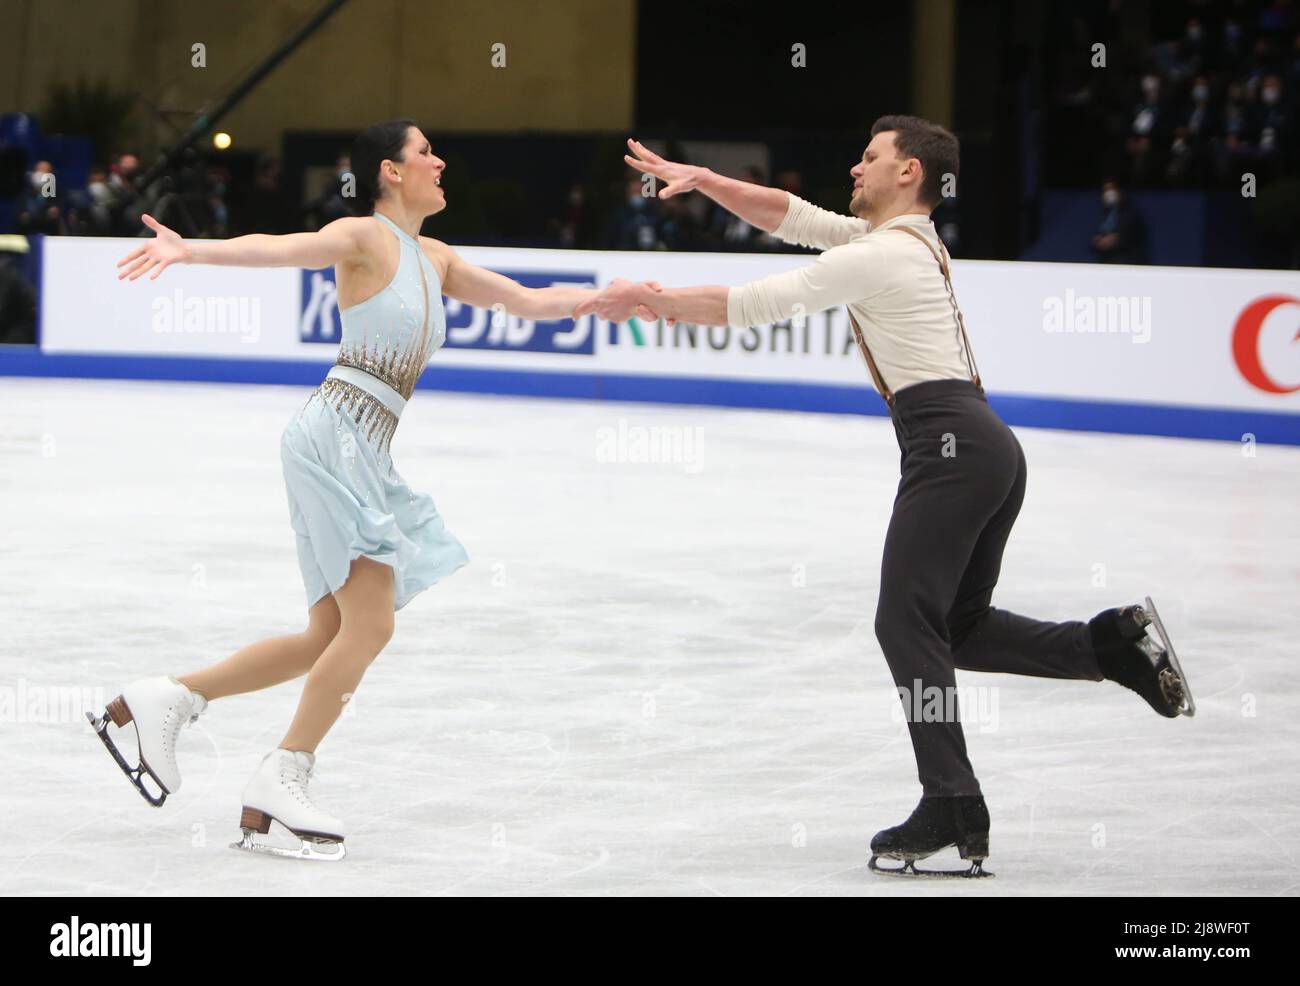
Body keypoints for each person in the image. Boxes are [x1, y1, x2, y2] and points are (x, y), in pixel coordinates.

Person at [582, 118, 1195, 877]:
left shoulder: (880, 255)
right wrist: (705, 181)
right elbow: (790, 216)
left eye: (870, 157)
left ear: (908, 172)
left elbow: (752, 303)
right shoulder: (907, 242)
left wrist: (650, 297)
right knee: (956, 628)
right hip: (984, 446)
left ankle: (952, 799)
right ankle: (1107, 647)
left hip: (951, 445)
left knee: (902, 620)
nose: (854, 165)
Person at [89, 120, 618, 861]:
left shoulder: (436, 258)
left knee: (326, 638)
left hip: (363, 447)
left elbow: (524, 301)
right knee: (370, 626)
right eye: (424, 152)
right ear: (391, 172)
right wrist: (188, 248)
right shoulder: (365, 237)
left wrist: (610, 296)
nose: (439, 162)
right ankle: (284, 772)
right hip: (334, 435)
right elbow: (275, 250)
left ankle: (166, 698)